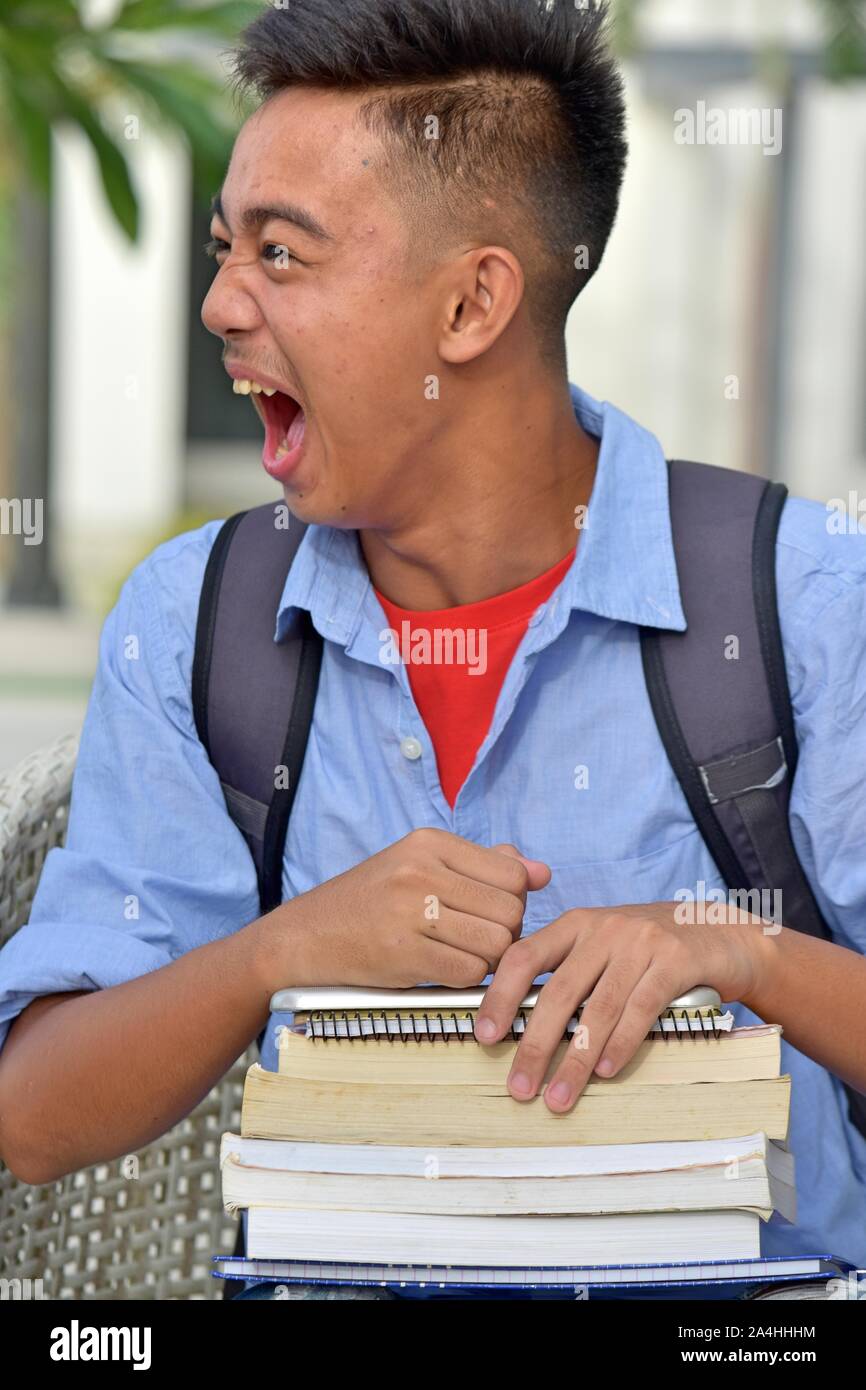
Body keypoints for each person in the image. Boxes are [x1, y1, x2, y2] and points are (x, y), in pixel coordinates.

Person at [1, 0, 865, 1294]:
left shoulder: (801, 599)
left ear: (471, 303)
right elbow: (32, 1116)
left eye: (282, 255)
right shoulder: (197, 619)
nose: (221, 304)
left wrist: (738, 950)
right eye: (223, 245)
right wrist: (274, 952)